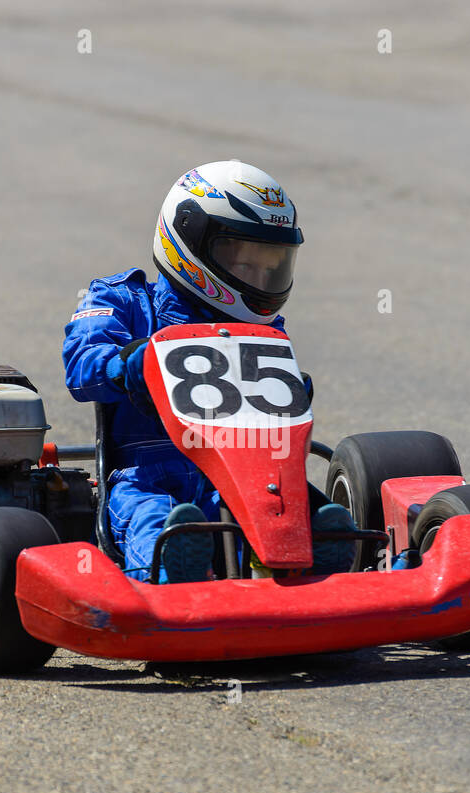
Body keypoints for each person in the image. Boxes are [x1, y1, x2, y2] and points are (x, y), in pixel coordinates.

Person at [62, 160, 355, 582]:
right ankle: (172, 571)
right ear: (192, 239)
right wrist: (127, 366)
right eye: (244, 264)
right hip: (147, 470)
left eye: (269, 267)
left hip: (243, 470)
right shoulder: (123, 298)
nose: (258, 278)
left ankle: (314, 560)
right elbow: (81, 366)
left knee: (290, 507)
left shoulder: (261, 328)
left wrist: (290, 390)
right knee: (153, 518)